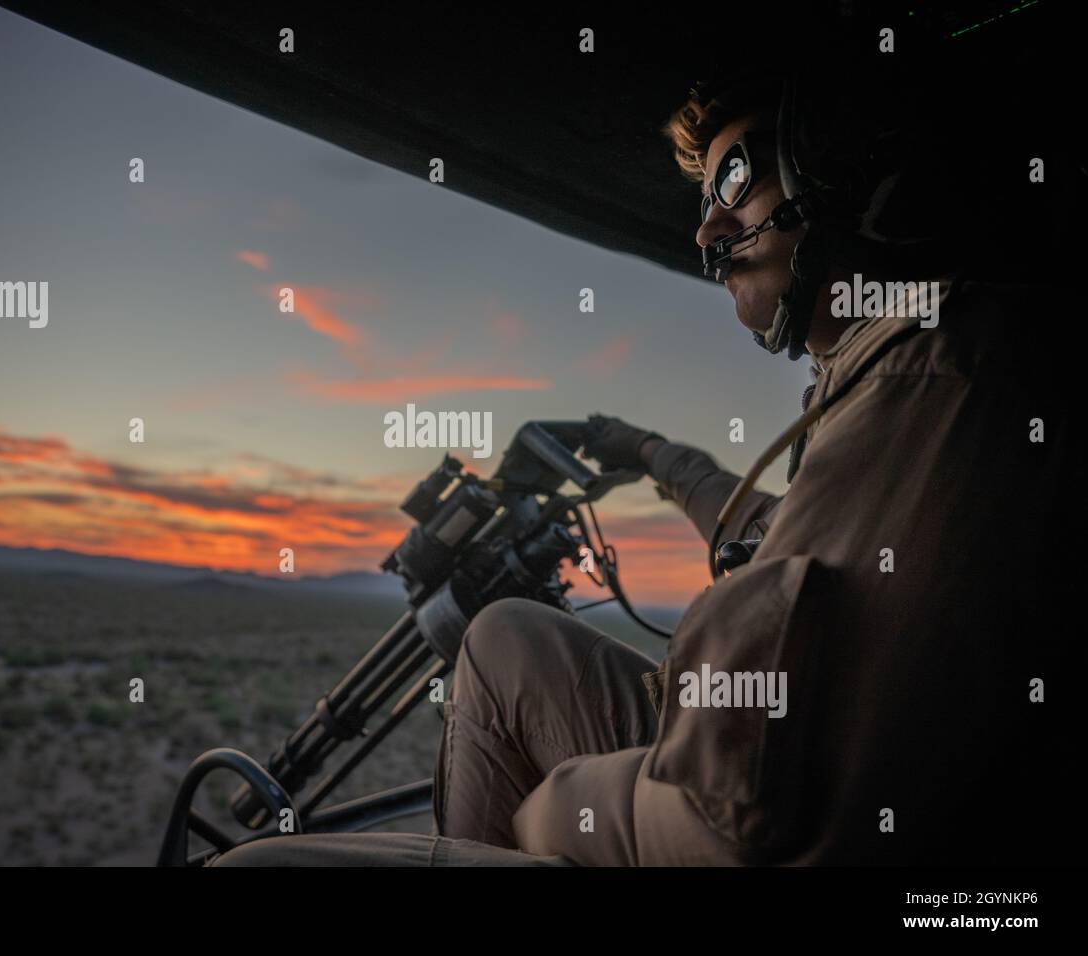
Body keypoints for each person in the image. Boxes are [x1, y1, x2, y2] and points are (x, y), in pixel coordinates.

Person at [213, 65, 1079, 867]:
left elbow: (742, 828)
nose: (708, 227)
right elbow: (767, 535)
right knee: (504, 636)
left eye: (735, 182)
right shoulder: (882, 378)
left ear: (839, 166)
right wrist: (645, 452)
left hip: (752, 815)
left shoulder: (936, 373)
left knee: (258, 867)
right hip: (755, 757)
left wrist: (557, 807)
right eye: (705, 201)